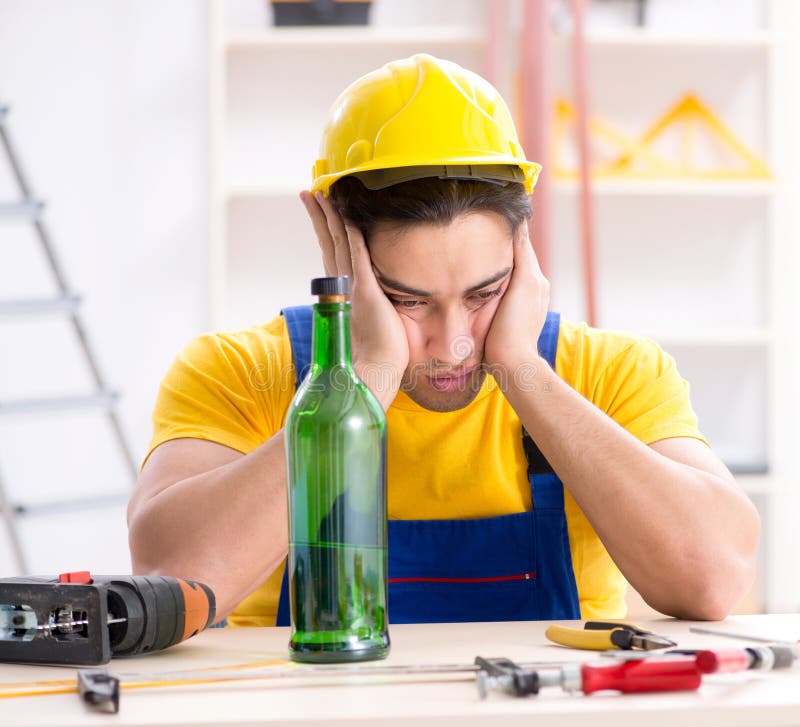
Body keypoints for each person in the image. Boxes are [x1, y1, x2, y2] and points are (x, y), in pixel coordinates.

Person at [128, 54, 759, 625]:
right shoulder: (242, 371)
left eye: (484, 296)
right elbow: (172, 582)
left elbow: (712, 582)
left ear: (524, 250)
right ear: (339, 252)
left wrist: (524, 371)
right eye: (408, 301)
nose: (455, 344)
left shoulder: (608, 371)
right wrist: (364, 374)